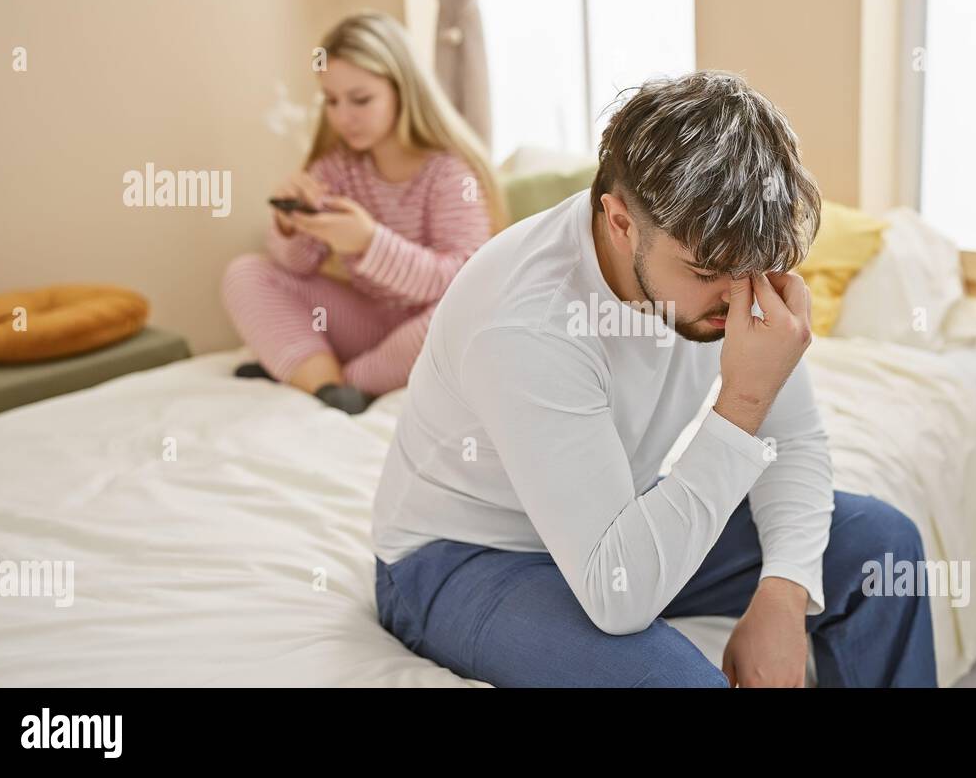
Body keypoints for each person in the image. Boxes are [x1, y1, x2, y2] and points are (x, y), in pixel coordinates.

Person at [372, 71, 937, 686]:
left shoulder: (733, 266)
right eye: (706, 271)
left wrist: (785, 590)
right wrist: (743, 400)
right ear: (619, 223)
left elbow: (793, 442)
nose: (739, 296)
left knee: (883, 545)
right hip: (463, 555)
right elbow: (620, 601)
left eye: (758, 267)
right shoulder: (525, 322)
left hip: (617, 508)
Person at [221, 11, 505, 414]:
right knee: (246, 272)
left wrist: (369, 243)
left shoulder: (449, 172)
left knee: (467, 311)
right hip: (363, 322)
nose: (343, 117)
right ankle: (326, 384)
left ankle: (332, 380)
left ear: (403, 90)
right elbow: (301, 266)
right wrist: (291, 226)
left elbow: (462, 278)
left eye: (361, 99)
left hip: (424, 327)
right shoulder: (337, 167)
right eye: (331, 101)